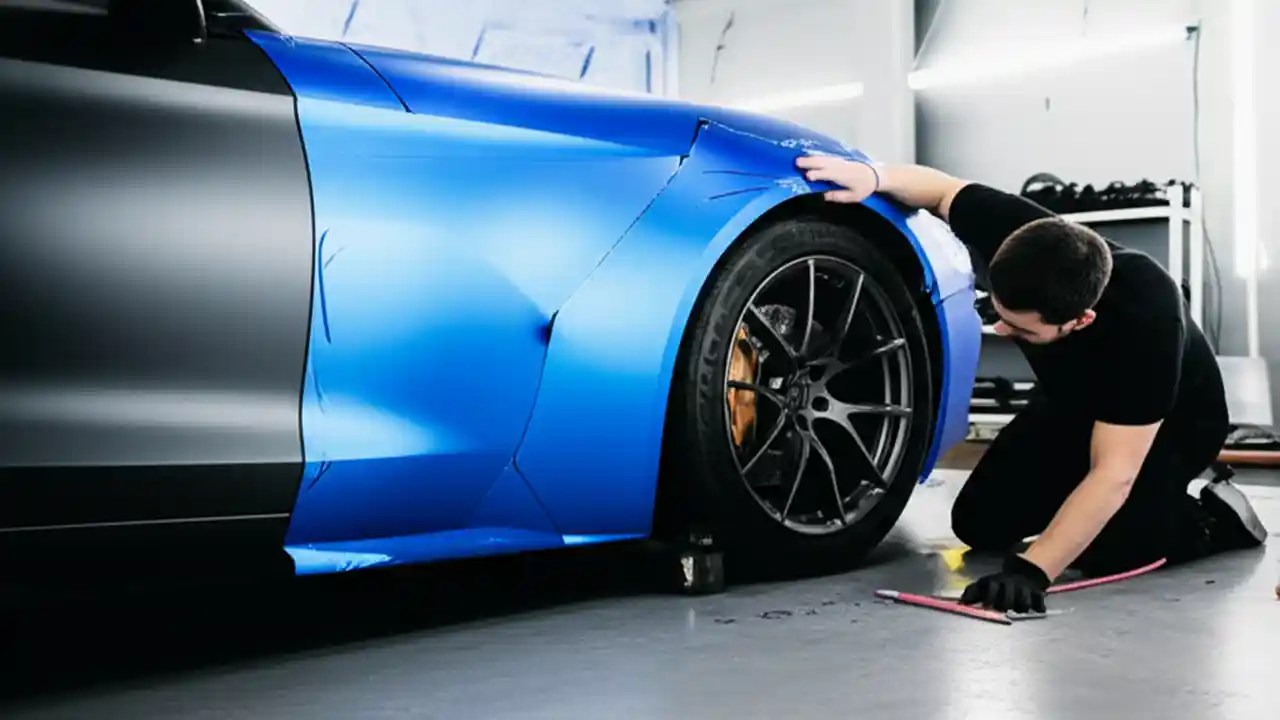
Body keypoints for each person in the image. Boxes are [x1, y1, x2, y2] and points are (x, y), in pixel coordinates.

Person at [795, 155, 1269, 613]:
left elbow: (1113, 473)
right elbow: (941, 190)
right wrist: (871, 176)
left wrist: (1033, 570)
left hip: (1169, 427)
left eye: (1021, 331)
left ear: (1080, 320)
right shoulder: (1029, 242)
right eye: (999, 316)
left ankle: (1210, 516)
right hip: (1069, 401)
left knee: (1114, 549)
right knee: (979, 523)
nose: (1002, 332)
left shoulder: (1145, 324)